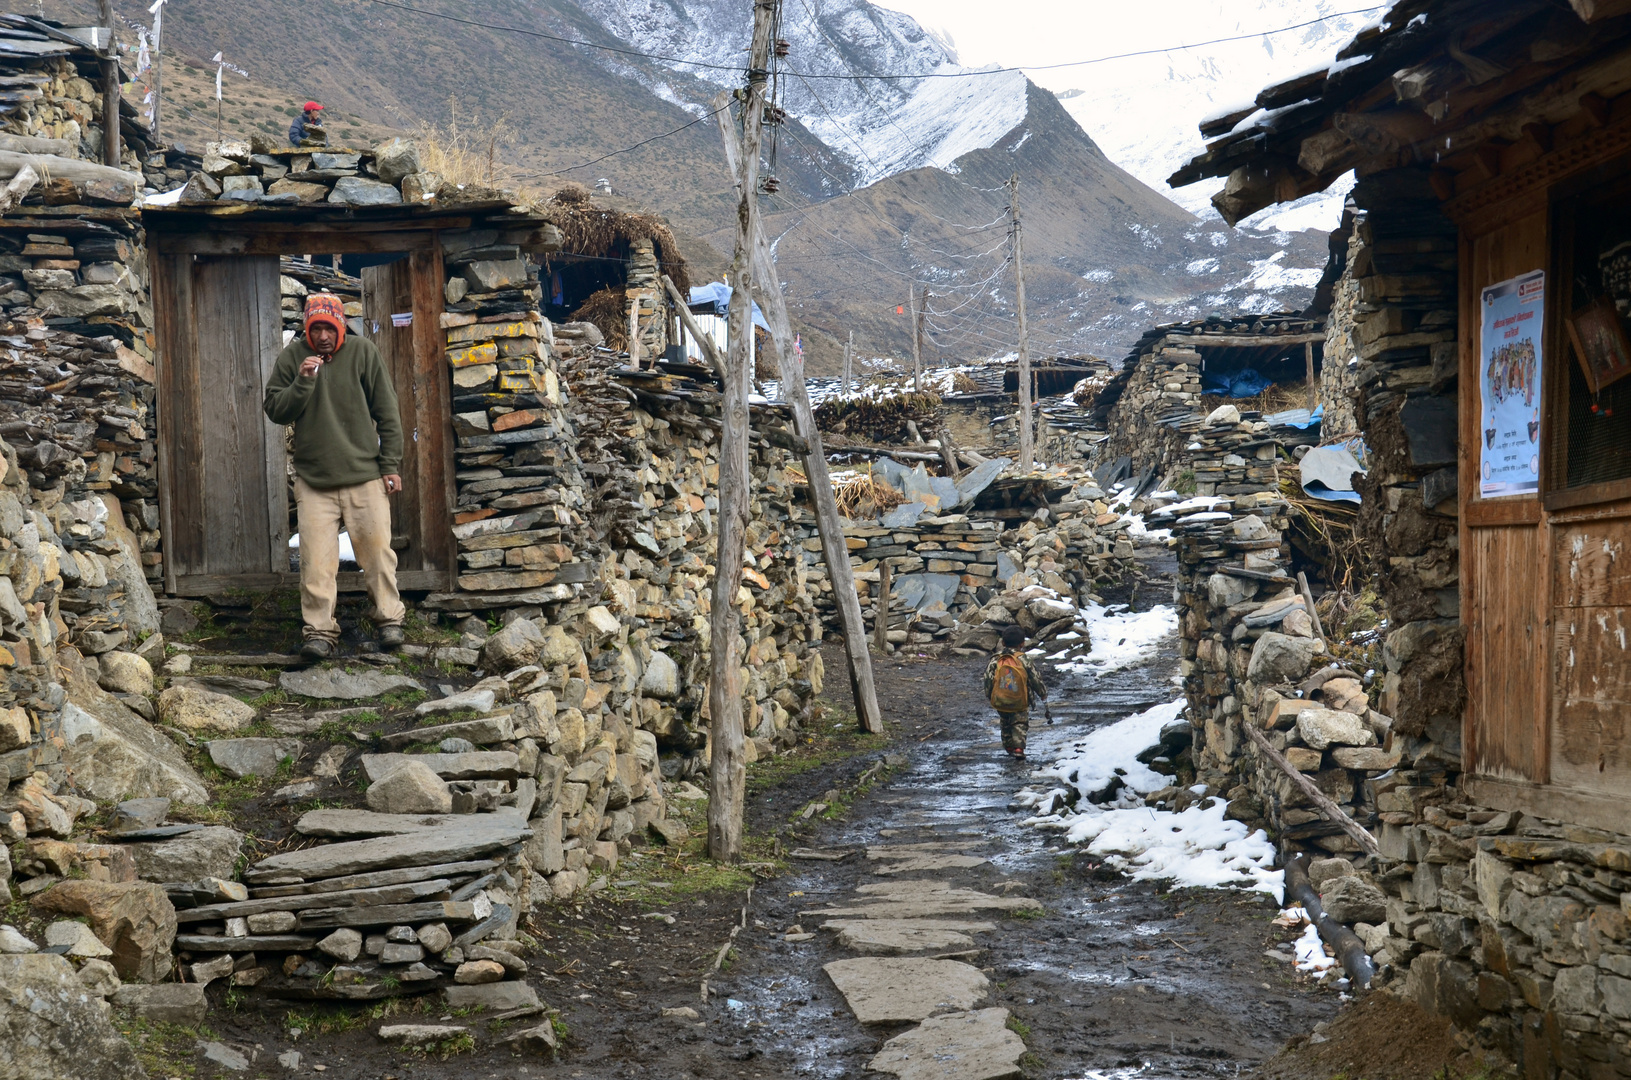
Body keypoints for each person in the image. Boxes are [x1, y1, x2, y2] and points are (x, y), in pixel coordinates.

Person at [264, 293, 406, 660]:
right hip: (314, 481)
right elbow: (275, 410)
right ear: (307, 329)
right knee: (315, 563)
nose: (323, 336)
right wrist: (303, 381)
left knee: (378, 555)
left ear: (341, 326)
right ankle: (319, 632)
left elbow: (388, 412)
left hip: (365, 476)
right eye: (316, 329)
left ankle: (389, 620)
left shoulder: (363, 352)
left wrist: (390, 464)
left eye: (329, 328)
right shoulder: (293, 358)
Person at [984, 624, 1047, 758]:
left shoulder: (996, 659)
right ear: (1022, 644)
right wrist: (1042, 693)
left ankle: (1008, 746)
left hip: (1001, 698)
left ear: (1002, 642)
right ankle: (1018, 748)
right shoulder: (1023, 659)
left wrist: (990, 694)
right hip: (1020, 699)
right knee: (1019, 722)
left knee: (1005, 722)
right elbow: (1035, 678)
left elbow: (988, 678)